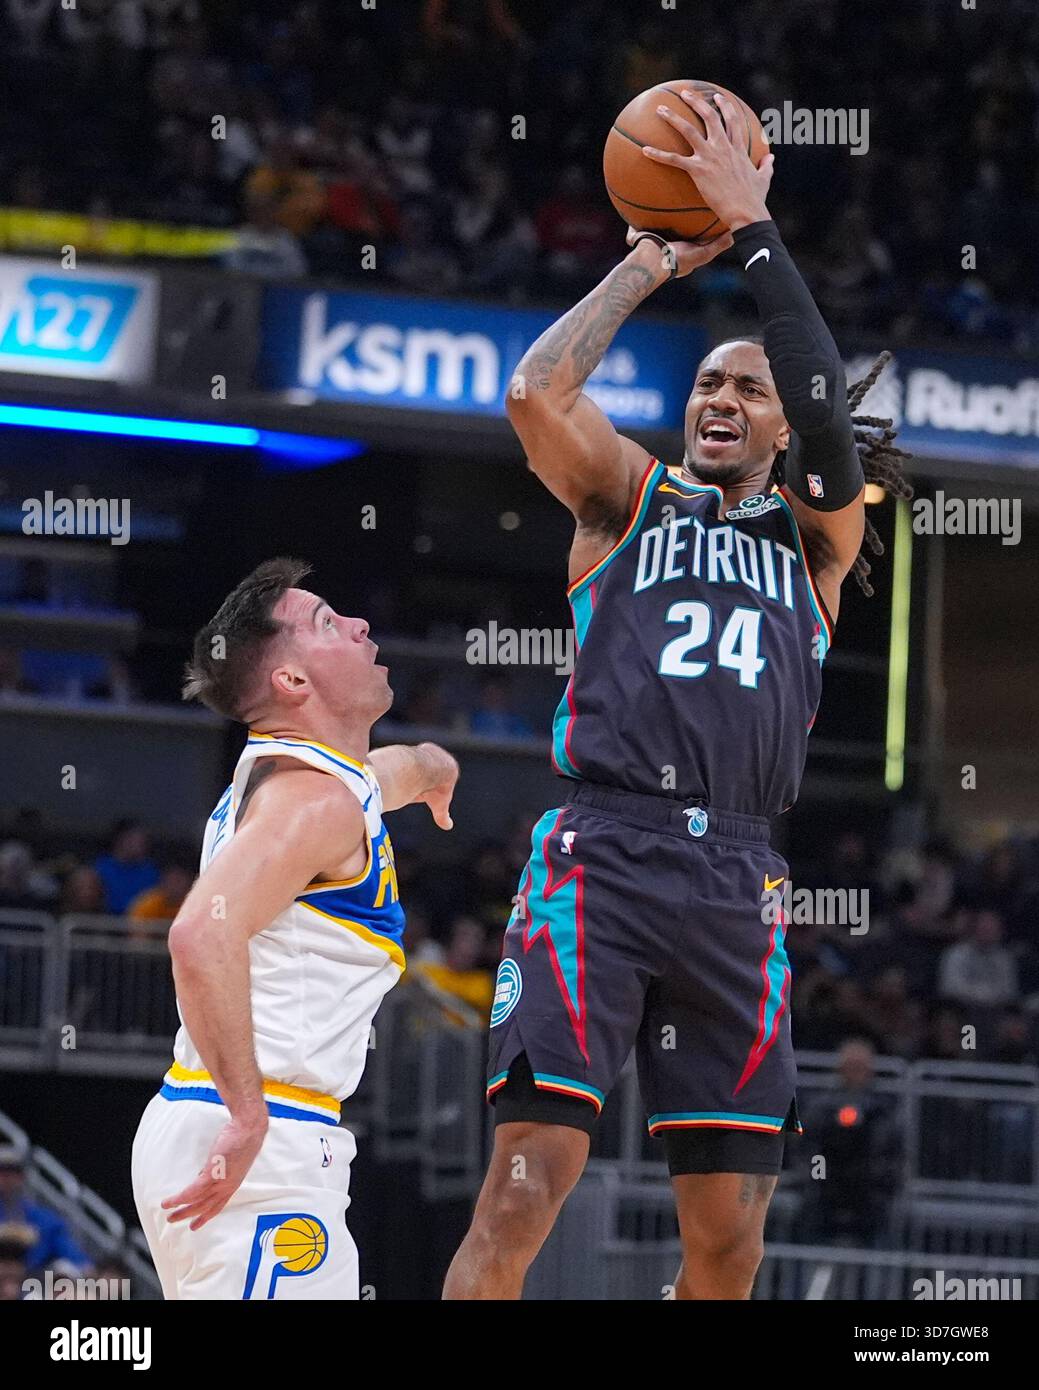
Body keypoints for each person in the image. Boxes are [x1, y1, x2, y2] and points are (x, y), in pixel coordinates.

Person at [445, 90, 911, 1300]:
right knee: (522, 1187)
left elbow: (827, 428)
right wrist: (651, 261)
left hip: (738, 875)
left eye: (748, 392)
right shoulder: (623, 501)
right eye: (708, 383)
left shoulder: (818, 541)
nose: (721, 399)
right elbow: (534, 394)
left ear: (781, 428)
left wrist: (758, 235)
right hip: (603, 848)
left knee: (728, 1239)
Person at [131, 558, 458, 1299]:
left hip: (243, 1129)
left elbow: (394, 771)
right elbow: (196, 936)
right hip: (255, 1137)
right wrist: (248, 1117)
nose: (359, 624)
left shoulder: (323, 786)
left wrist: (434, 765)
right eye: (325, 622)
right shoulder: (312, 803)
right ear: (291, 683)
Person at [0, 1147, 88, 1275]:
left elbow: (76, 1259)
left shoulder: (43, 1219)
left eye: (12, 1172)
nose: (6, 1178)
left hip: (27, 1284)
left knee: (64, 1269)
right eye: (2, 1171)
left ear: (21, 1177)